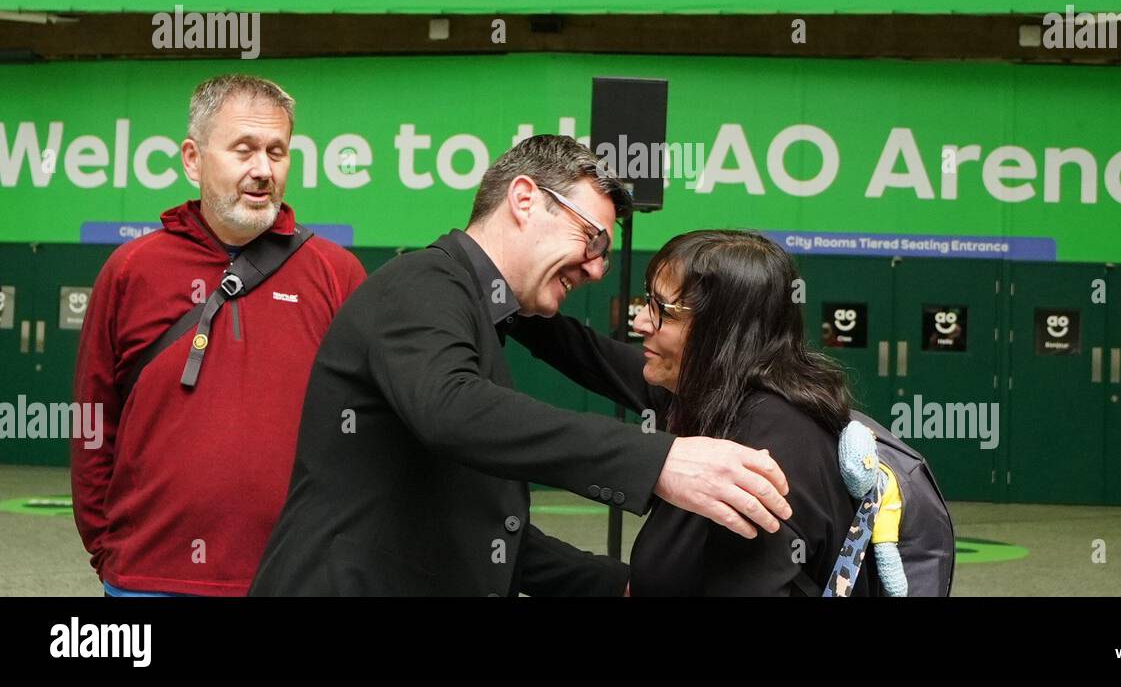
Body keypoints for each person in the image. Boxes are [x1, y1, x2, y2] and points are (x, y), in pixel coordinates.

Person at [251, 136, 792, 597]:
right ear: (526, 199)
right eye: (594, 238)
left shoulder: (484, 307)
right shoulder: (421, 285)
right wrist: (662, 461)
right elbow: (453, 409)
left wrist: (619, 585)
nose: (600, 268)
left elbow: (479, 529)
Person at [71, 74, 368, 596]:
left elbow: (369, 427)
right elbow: (94, 418)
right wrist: (108, 548)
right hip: (147, 579)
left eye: (278, 152)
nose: (262, 170)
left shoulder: (336, 274)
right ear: (193, 158)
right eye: (244, 149)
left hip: (295, 578)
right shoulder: (130, 270)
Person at [510, 229, 859, 596]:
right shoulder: (708, 392)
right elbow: (582, 352)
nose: (641, 322)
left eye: (664, 311)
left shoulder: (772, 451)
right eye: (648, 302)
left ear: (722, 331)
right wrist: (503, 285)